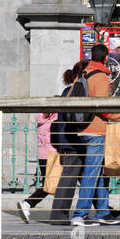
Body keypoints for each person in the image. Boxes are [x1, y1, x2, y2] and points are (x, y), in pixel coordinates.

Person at [71, 44, 120, 230]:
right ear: (105, 59)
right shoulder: (101, 77)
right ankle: (80, 214)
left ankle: (103, 211)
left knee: (100, 172)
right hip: (96, 131)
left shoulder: (82, 74)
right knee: (92, 173)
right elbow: (103, 108)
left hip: (81, 128)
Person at [50, 63, 89, 227]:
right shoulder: (76, 91)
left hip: (67, 140)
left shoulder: (67, 91)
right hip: (73, 141)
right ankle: (59, 214)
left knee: (85, 176)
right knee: (69, 177)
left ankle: (104, 208)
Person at [17, 109, 58, 221]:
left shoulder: (41, 119)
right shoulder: (55, 120)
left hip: (42, 156)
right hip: (53, 156)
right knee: (51, 185)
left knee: (50, 184)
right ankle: (28, 203)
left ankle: (61, 212)